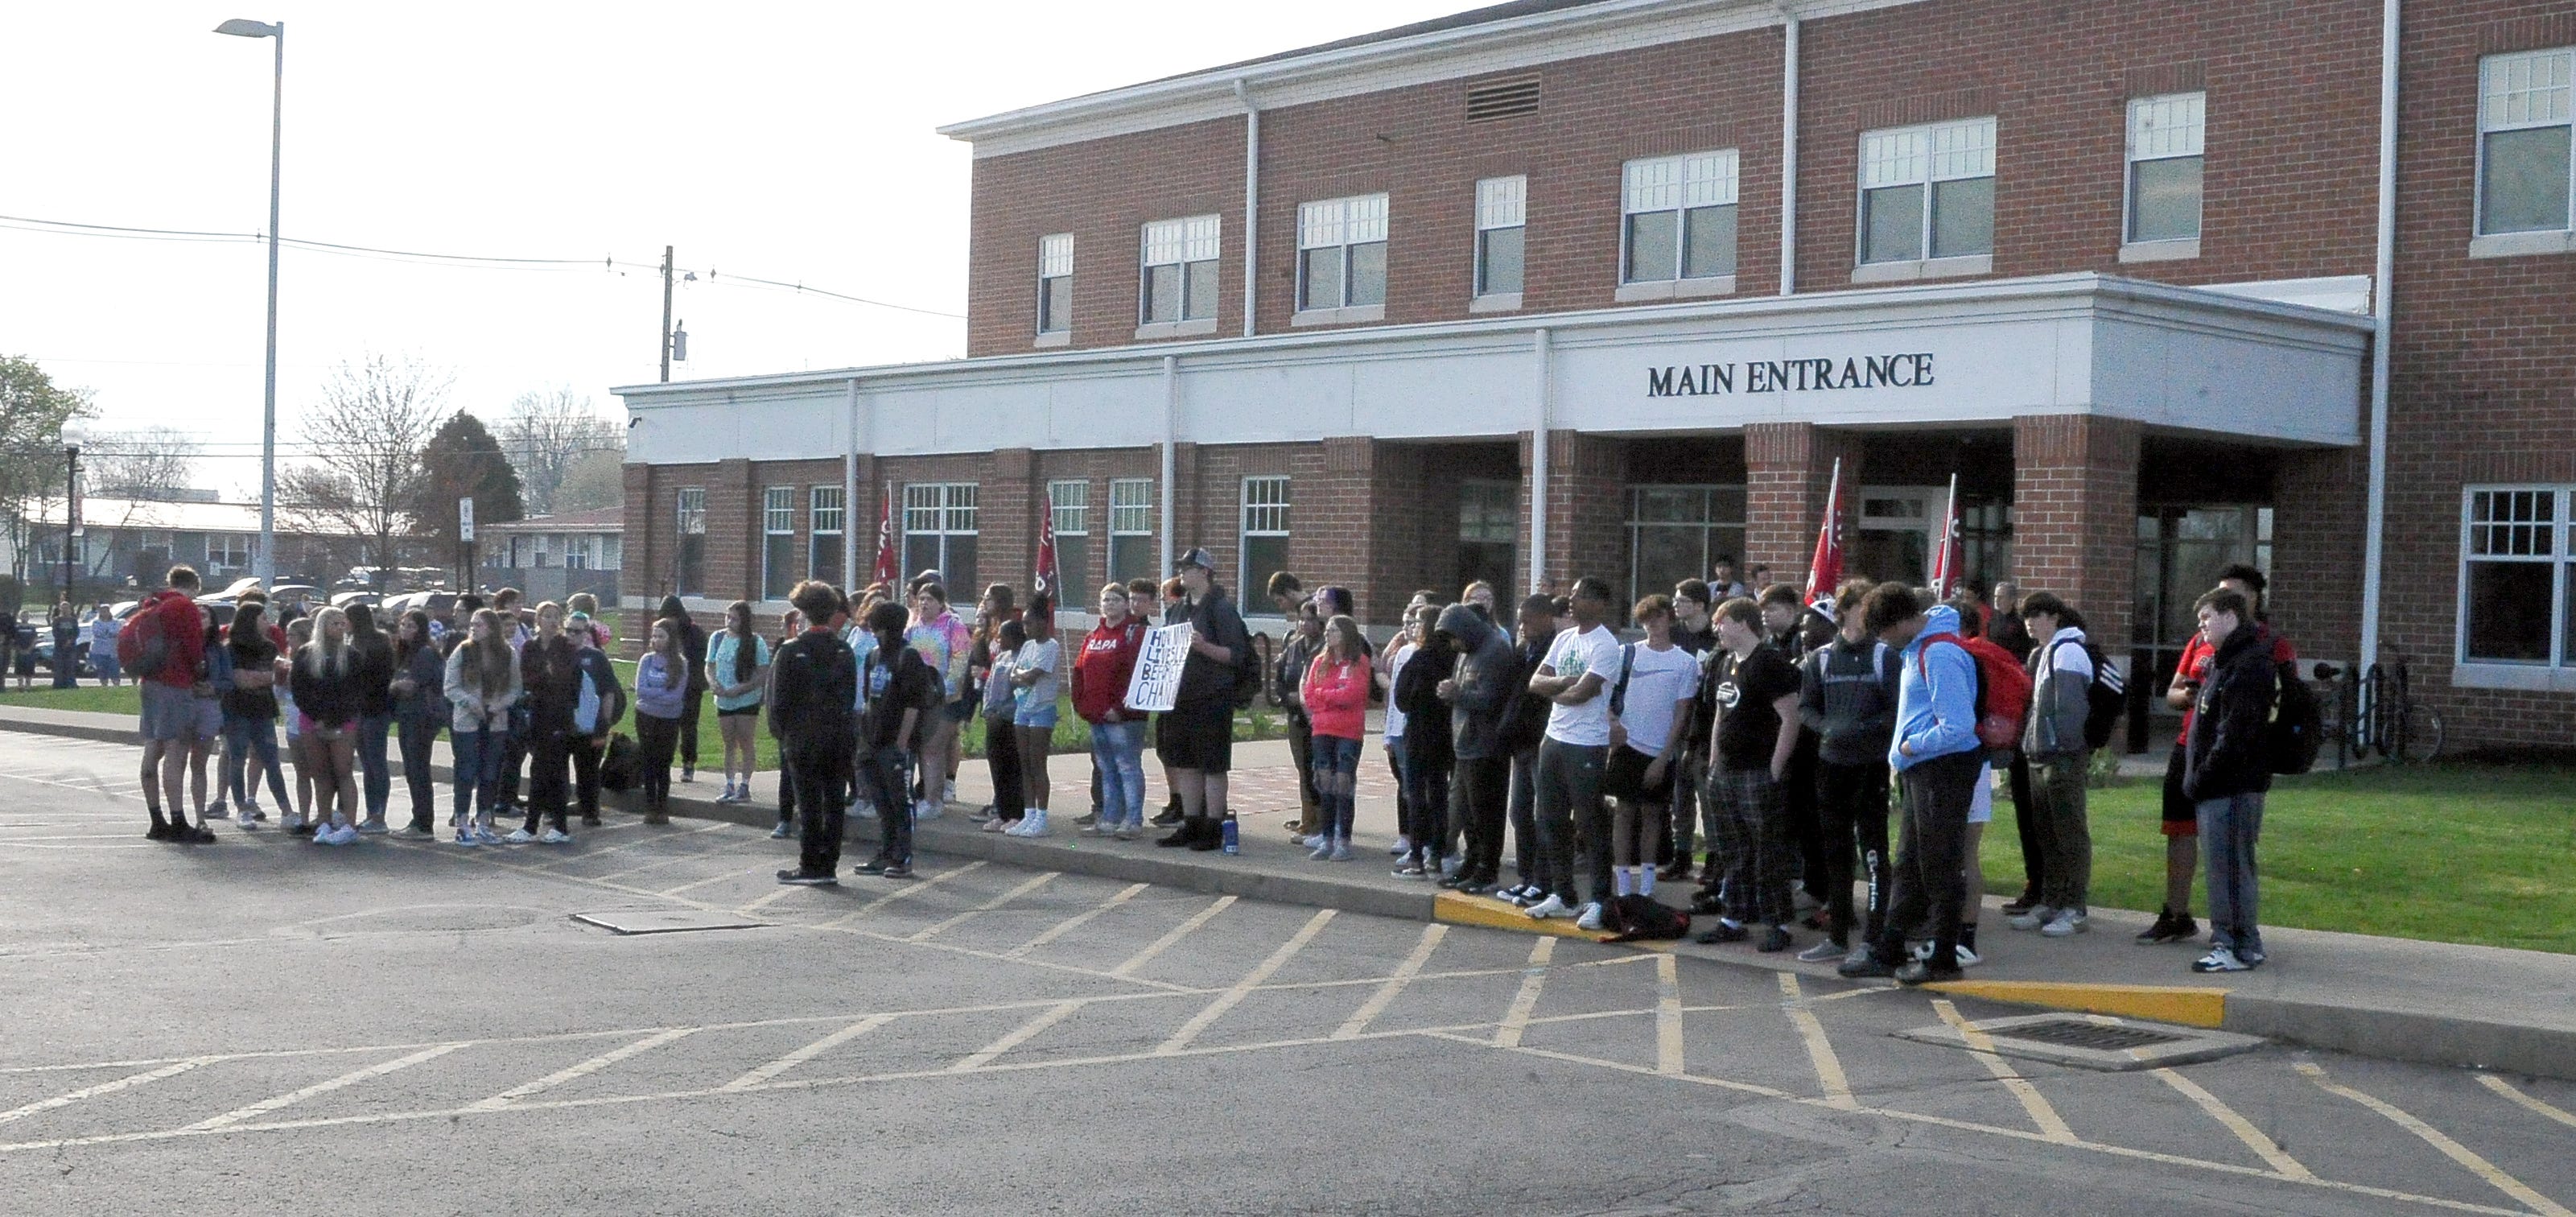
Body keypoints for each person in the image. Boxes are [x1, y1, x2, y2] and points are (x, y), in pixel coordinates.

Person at [1840, 584, 1985, 984]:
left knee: (1940, 863)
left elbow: (1958, 725)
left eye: (1884, 631)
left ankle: (1943, 957)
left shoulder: (1939, 653)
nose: (1883, 641)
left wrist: (1910, 745)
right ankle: (1889, 947)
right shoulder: (1917, 649)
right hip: (1923, 768)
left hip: (1944, 768)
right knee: (1908, 861)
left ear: (1903, 621)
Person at [2149, 563, 2294, 946]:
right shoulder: (2203, 643)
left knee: (2229, 850)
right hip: (2190, 745)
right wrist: (2191, 696)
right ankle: (2177, 914)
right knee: (2181, 831)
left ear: (2251, 600)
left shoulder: (2264, 647)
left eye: (2232, 593)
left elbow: (2275, 703)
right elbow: (2172, 693)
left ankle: (2236, 938)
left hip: (2231, 757)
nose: (2222, 599)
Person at [1797, 582, 1901, 965]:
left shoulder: (1885, 657)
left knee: (1873, 853)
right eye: (1860, 607)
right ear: (1842, 611)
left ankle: (1873, 938)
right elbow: (1806, 708)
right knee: (1835, 853)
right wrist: (1827, 727)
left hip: (1870, 765)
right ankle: (1837, 934)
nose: (1866, 614)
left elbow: (1896, 709)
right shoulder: (1821, 659)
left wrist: (1862, 728)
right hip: (1831, 764)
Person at [1696, 597, 1804, 951]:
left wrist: (1776, 767)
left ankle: (1778, 924)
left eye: (1722, 622)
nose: (1717, 629)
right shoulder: (1727, 661)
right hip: (1725, 771)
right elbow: (1720, 713)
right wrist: (1715, 761)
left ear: (1743, 623)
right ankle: (1733, 918)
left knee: (1767, 851)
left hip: (1758, 772)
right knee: (1733, 850)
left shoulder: (1769, 662)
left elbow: (1791, 717)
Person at [2182, 587, 2275, 973]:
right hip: (2221, 785)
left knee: (2230, 868)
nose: (2201, 625)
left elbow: (2234, 734)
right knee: (2227, 866)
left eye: (2207, 617)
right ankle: (2242, 943)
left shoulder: (2248, 664)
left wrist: (2201, 778)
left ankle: (2234, 945)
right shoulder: (2227, 661)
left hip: (2232, 785)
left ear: (2230, 617)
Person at [1594, 595, 1698, 926]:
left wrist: (1664, 757)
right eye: (1646, 619)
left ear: (1670, 619)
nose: (1652, 624)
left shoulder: (1685, 662)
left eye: (1658, 617)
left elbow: (1682, 714)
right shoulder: (1627, 654)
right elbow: (1607, 696)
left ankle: (1648, 885)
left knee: (1654, 815)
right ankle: (1624, 885)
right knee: (1624, 813)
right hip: (1627, 747)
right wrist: (1613, 723)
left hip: (1659, 751)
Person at [1521, 576, 1619, 920]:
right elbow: (1536, 681)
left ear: (1599, 603)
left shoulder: (1606, 645)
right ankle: (1563, 894)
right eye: (1573, 595)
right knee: (1551, 818)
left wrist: (1559, 692)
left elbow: (1585, 692)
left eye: (1579, 596)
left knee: (1590, 822)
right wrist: (1563, 683)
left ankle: (1600, 900)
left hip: (1587, 744)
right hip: (1554, 738)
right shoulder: (1564, 638)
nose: (1571, 601)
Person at [2011, 591, 2096, 939]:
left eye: (2038, 615)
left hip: (2061, 757)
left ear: (2055, 618)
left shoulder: (2068, 652)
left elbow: (2071, 710)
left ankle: (2074, 908)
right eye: (2027, 617)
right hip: (2041, 755)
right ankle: (2052, 900)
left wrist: (2062, 748)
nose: (2030, 623)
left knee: (2069, 832)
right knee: (2047, 833)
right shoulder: (2045, 652)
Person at [1155, 548, 1252, 852]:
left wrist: (1203, 647)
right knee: (1185, 764)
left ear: (1205, 572)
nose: (1182, 573)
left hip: (1212, 698)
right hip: (1181, 697)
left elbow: (1236, 655)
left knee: (1212, 765)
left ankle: (1213, 826)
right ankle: (1191, 822)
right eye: (1181, 568)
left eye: (1188, 568)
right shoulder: (1178, 610)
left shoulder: (1221, 610)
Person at [773, 581, 862, 885]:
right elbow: (850, 697)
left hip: (803, 738)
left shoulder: (791, 650)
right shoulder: (843, 650)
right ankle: (829, 863)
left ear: (804, 613)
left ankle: (810, 864)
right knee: (834, 800)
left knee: (809, 802)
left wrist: (785, 734)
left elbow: (779, 702)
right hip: (838, 737)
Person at [1432, 597, 1514, 894]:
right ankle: (1471, 863)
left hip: (1487, 745)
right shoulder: (1467, 653)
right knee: (1468, 813)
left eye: (1455, 638)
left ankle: (1487, 869)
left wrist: (1458, 694)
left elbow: (1492, 700)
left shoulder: (1495, 651)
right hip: (1465, 743)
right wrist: (1450, 692)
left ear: (1466, 629)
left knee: (1486, 814)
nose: (1454, 645)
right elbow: (1463, 688)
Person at [847, 597, 934, 880]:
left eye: (878, 625)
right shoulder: (873, 656)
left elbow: (913, 705)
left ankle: (902, 857)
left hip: (895, 743)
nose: (874, 631)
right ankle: (885, 852)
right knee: (881, 802)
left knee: (900, 801)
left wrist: (901, 744)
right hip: (872, 739)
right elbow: (869, 698)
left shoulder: (908, 657)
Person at [133, 566, 216, 844]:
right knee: (176, 750)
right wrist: (199, 670)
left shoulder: (152, 604)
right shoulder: (184, 606)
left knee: (152, 747)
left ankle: (157, 819)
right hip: (175, 683)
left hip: (149, 682)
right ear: (193, 585)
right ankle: (178, 819)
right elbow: (194, 648)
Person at [1492, 593, 1560, 906]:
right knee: (1519, 811)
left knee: (1542, 813)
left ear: (1546, 618)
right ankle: (1527, 876)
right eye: (1519, 621)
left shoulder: (1554, 649)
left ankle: (1543, 881)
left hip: (1541, 740)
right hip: (1520, 742)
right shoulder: (1523, 650)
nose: (1522, 626)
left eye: (1527, 621)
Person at [1075, 583, 1150, 840]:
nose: (1110, 604)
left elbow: (1139, 674)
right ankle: (1110, 818)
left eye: (1116, 600)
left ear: (1126, 604)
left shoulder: (1134, 633)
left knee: (1127, 767)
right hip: (1096, 716)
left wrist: (1120, 708)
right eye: (1105, 600)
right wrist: (1082, 705)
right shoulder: (1093, 636)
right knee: (1106, 768)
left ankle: (1133, 820)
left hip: (1125, 718)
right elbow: (1079, 671)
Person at [290, 605, 365, 847]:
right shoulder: (305, 654)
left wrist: (334, 719)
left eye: (343, 623)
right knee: (319, 773)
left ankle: (350, 825)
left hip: (343, 720)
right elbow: (299, 689)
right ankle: (323, 821)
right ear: (323, 626)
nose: (341, 628)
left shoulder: (352, 656)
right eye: (335, 623)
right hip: (311, 719)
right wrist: (317, 717)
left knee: (343, 771)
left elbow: (356, 692)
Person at [444, 608, 520, 844]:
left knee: (490, 772)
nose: (474, 628)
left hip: (496, 721)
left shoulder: (507, 653)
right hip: (467, 721)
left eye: (480, 625)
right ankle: (462, 823)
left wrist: (500, 704)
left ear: (492, 628)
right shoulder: (463, 651)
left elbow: (515, 688)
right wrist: (469, 702)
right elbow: (450, 687)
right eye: (473, 624)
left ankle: (484, 821)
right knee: (466, 772)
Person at [1300, 614, 1370, 860]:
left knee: (1343, 782)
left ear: (1346, 634)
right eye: (1328, 630)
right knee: (1325, 781)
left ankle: (1344, 840)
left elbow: (1353, 694)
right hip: (1322, 729)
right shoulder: (1320, 662)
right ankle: (1327, 838)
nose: (1328, 635)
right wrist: (1332, 694)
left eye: (1334, 631)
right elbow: (1310, 694)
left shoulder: (1359, 662)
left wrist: (1326, 695)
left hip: (1348, 731)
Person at [514, 603, 583, 844]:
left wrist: (549, 676)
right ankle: (533, 825)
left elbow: (568, 680)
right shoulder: (530, 647)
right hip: (538, 713)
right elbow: (527, 678)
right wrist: (545, 675)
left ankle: (557, 826)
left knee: (555, 771)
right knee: (539, 770)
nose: (553, 621)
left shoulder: (565, 647)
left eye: (556, 617)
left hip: (560, 716)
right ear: (538, 620)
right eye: (547, 616)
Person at [905, 583, 974, 821]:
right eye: (921, 599)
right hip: (920, 698)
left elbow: (960, 660)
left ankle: (934, 801)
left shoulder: (953, 626)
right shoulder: (913, 628)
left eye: (930, 599)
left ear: (941, 603)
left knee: (933, 747)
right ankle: (928, 795)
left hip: (947, 699)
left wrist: (945, 689)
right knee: (923, 747)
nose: (924, 603)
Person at [221, 601, 291, 823]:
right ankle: (242, 808)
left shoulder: (269, 647)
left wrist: (261, 677)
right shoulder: (231, 648)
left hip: (263, 709)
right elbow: (241, 680)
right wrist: (264, 677)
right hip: (237, 710)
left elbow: (275, 677)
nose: (268, 623)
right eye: (263, 618)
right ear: (250, 620)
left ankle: (287, 810)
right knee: (237, 758)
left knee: (271, 760)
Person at [340, 604, 397, 835]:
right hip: (359, 710)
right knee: (366, 764)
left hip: (376, 709)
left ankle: (379, 815)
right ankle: (371, 812)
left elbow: (381, 679)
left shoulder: (378, 643)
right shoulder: (352, 642)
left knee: (376, 762)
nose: (344, 624)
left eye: (346, 619)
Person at [1271, 596, 1325, 837]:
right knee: (1303, 769)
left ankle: (1322, 821)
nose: (1304, 624)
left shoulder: (1326, 648)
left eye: (1310, 619)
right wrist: (1288, 697)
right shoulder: (1294, 648)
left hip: (1319, 718)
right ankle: (1307, 818)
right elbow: (1279, 679)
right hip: (1296, 717)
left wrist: (1307, 697)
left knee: (1318, 768)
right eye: (1301, 619)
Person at [389, 608, 447, 835]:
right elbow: (399, 684)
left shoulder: (425, 653)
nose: (405, 629)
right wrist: (396, 686)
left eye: (411, 626)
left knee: (418, 769)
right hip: (407, 716)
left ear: (421, 629)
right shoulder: (405, 653)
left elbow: (410, 686)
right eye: (403, 625)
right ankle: (419, 818)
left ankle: (423, 823)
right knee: (412, 769)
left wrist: (394, 686)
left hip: (421, 717)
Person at [566, 612, 626, 827]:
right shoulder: (559, 655)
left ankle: (590, 810)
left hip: (591, 725)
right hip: (565, 723)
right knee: (558, 769)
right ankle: (557, 808)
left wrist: (604, 724)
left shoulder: (596, 658)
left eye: (577, 631)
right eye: (568, 630)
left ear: (586, 633)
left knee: (588, 770)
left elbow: (609, 692)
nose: (571, 635)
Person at [707, 601, 769, 805]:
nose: (730, 622)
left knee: (745, 740)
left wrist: (741, 688)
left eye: (734, 618)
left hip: (746, 699)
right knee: (729, 743)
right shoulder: (717, 638)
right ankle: (729, 784)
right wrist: (713, 683)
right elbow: (709, 666)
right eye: (728, 617)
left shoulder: (755, 642)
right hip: (724, 699)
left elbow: (762, 673)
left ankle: (745, 785)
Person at [632, 619, 690, 825]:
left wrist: (655, 694)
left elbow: (675, 696)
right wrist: (661, 691)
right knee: (648, 761)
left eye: (661, 636)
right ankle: (650, 807)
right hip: (645, 716)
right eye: (654, 636)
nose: (656, 640)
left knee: (663, 763)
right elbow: (640, 690)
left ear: (671, 639)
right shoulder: (646, 660)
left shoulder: (680, 663)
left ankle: (662, 806)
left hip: (669, 719)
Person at [653, 595, 707, 786]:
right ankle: (663, 766)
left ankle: (688, 763)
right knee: (666, 728)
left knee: (688, 726)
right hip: (667, 686)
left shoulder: (694, 633)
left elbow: (699, 662)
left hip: (691, 687)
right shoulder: (663, 633)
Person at [979, 619, 1028, 833]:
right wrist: (988, 710)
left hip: (1012, 720)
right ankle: (1003, 812)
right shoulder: (1001, 658)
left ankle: (1017, 814)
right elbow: (989, 686)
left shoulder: (1025, 657)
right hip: (994, 719)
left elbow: (1021, 692)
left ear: (1014, 636)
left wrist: (1004, 712)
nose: (999, 639)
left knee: (1013, 768)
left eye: (1003, 635)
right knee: (997, 767)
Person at [280, 617, 315, 831]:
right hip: (293, 722)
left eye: (292, 635)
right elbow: (282, 693)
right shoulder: (289, 659)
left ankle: (325, 815)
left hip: (311, 720)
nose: (288, 640)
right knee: (302, 773)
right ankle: (304, 818)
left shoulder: (312, 659)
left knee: (320, 773)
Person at [89, 604, 121, 687]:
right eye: (102, 611)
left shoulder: (116, 622)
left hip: (113, 651)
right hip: (99, 650)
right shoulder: (96, 622)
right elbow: (97, 632)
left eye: (106, 611)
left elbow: (116, 631)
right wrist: (108, 632)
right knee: (102, 670)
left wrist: (108, 632)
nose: (104, 613)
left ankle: (116, 685)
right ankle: (104, 685)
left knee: (115, 670)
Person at [48, 600, 77, 689]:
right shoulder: (57, 620)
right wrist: (63, 641)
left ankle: (71, 684)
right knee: (59, 667)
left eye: (67, 608)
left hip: (71, 647)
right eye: (63, 608)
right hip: (59, 647)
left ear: (70, 609)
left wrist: (70, 641)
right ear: (60, 609)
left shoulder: (73, 620)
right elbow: (55, 633)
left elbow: (76, 632)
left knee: (70, 666)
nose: (65, 610)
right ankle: (58, 685)